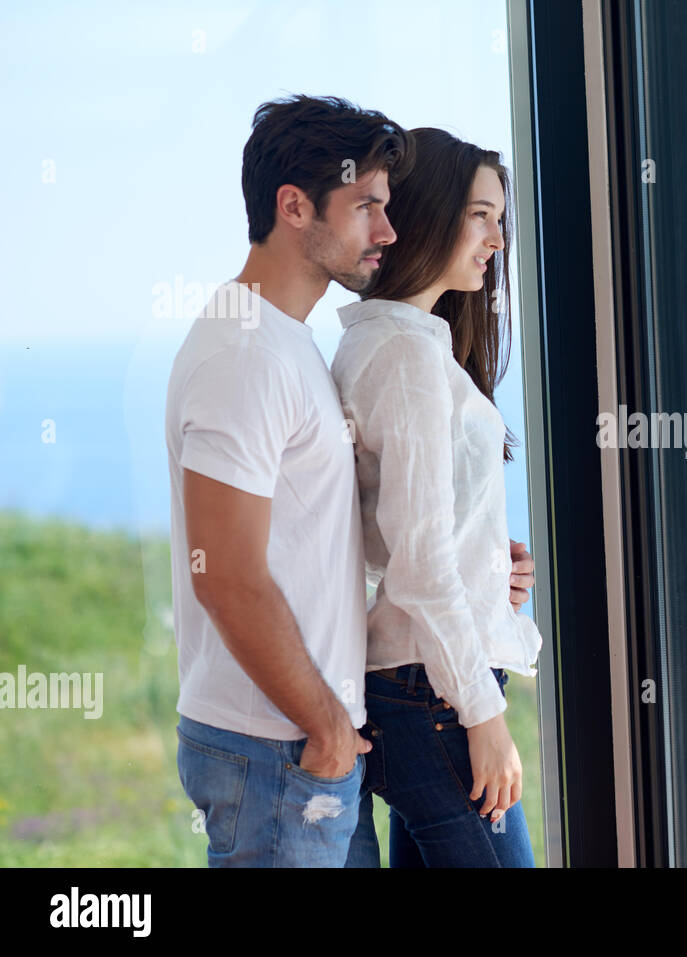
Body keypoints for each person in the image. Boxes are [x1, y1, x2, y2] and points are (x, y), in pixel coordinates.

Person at [166, 94, 414, 866]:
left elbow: (313, 536)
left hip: (298, 745)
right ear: (295, 206)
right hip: (277, 749)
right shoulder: (246, 355)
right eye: (366, 205)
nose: (388, 231)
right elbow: (228, 577)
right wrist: (328, 727)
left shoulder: (285, 342)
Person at [333, 127, 543, 868]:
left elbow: (401, 536)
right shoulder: (406, 356)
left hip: (416, 684)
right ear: (429, 215)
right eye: (480, 215)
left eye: (501, 219)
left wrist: (490, 563)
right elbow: (420, 566)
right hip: (434, 697)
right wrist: (482, 716)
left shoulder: (389, 343)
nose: (497, 238)